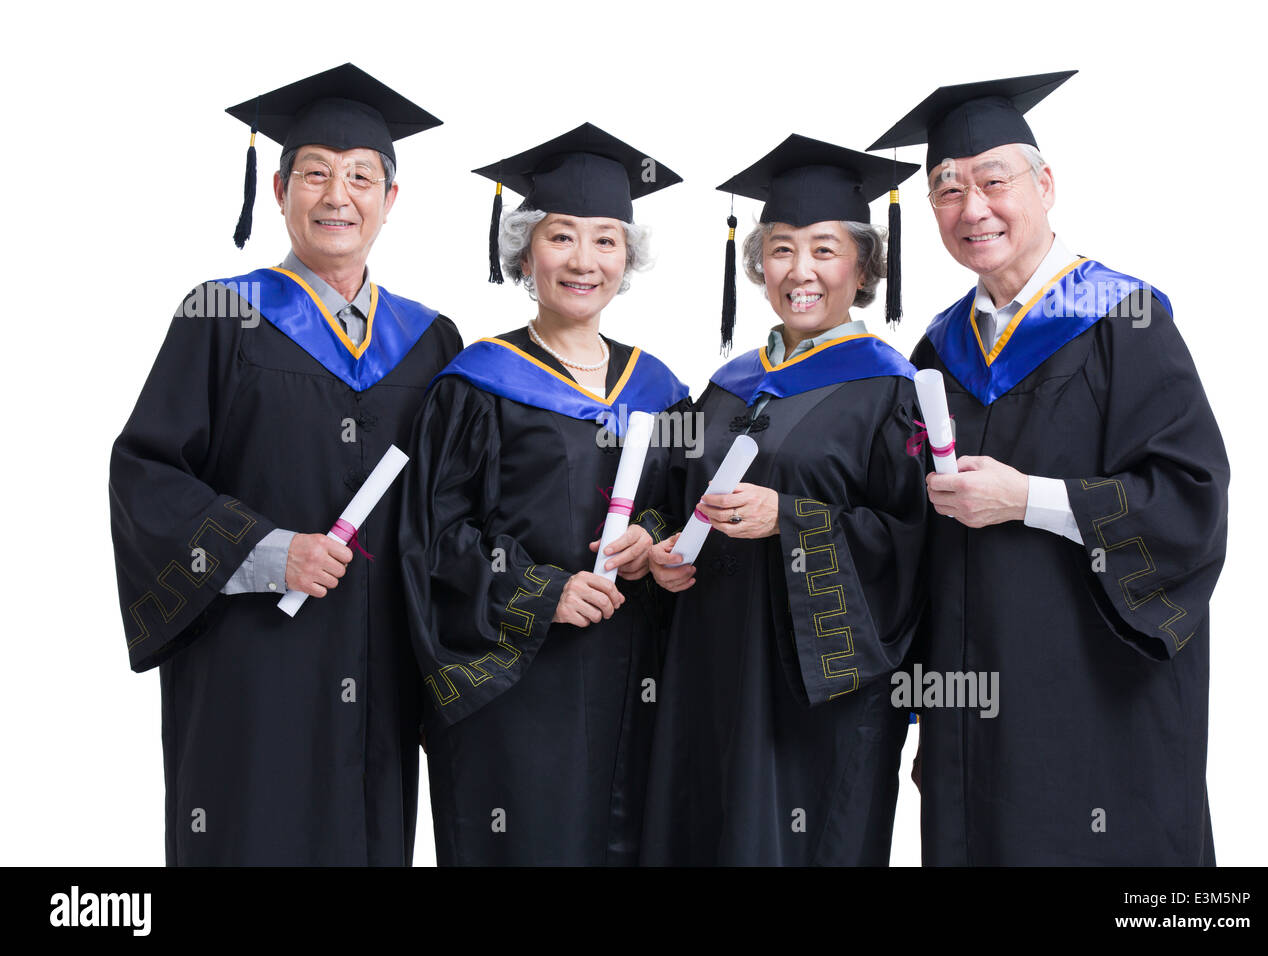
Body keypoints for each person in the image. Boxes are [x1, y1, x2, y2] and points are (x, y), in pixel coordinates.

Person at [870, 71, 1229, 865]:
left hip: (1096, 692)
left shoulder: (1123, 320)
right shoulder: (938, 349)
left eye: (994, 181)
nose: (973, 209)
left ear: (1046, 185)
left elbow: (1188, 504)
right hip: (974, 702)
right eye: (947, 190)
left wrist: (1027, 498)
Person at [108, 63, 462, 865]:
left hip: (380, 666)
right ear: (277, 188)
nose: (338, 196)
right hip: (250, 657)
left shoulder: (432, 338)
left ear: (391, 200)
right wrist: (270, 553)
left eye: (361, 177)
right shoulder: (220, 312)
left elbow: (455, 503)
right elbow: (145, 474)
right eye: (316, 173)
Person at [399, 123, 689, 865]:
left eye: (605, 241)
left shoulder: (661, 388)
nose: (583, 261)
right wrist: (538, 591)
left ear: (628, 258)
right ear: (526, 252)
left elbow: (685, 514)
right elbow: (432, 535)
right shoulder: (478, 381)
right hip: (513, 684)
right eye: (562, 238)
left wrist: (654, 539)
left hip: (632, 674)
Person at [640, 135, 928, 865]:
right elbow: (673, 490)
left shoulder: (891, 388)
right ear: (758, 263)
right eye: (780, 249)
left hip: (818, 689)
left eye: (825, 250)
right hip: (710, 667)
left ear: (864, 267)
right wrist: (665, 546)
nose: (800, 272)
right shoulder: (727, 382)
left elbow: (916, 542)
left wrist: (792, 519)